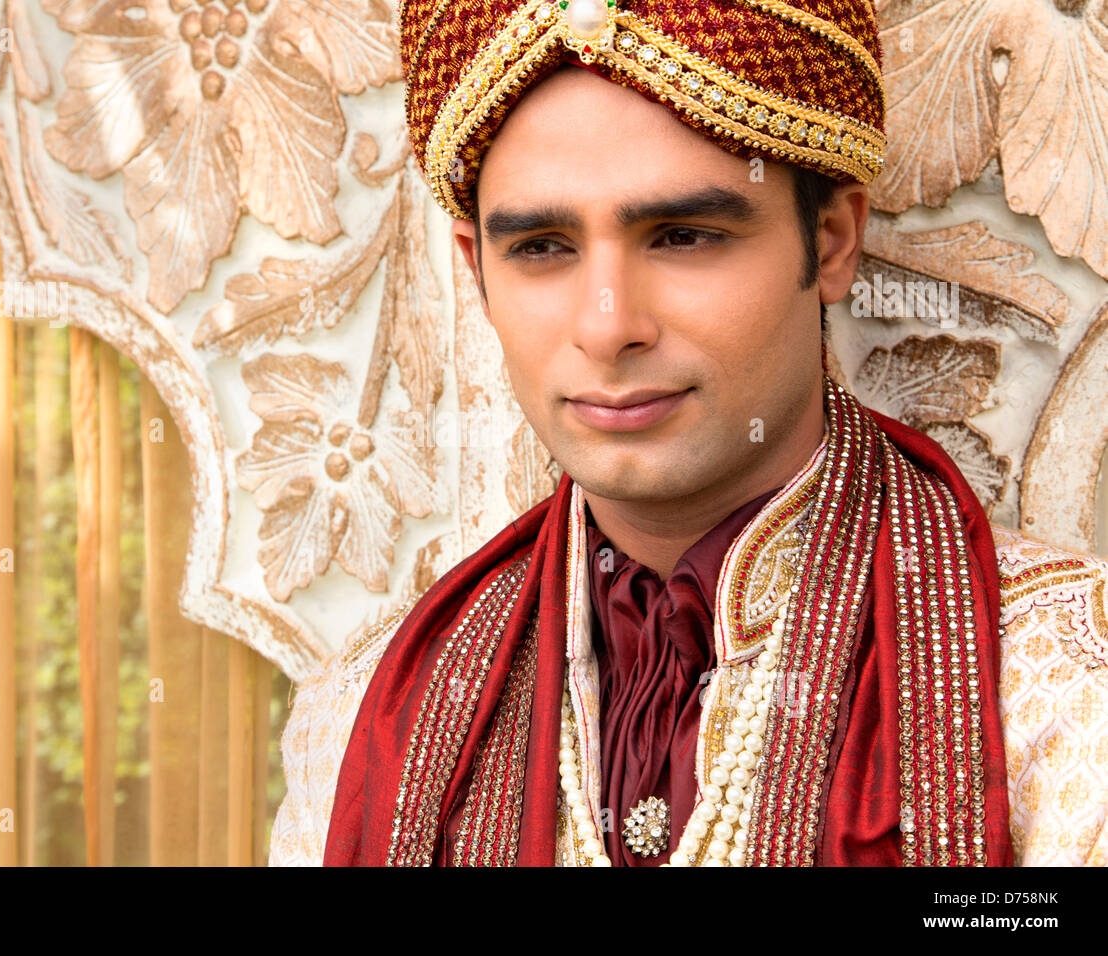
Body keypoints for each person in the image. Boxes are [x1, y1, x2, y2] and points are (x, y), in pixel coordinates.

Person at [269, 0, 1108, 866]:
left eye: (682, 235)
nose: (608, 326)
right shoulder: (362, 722)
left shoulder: (1066, 695)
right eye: (543, 248)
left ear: (829, 240)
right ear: (476, 268)